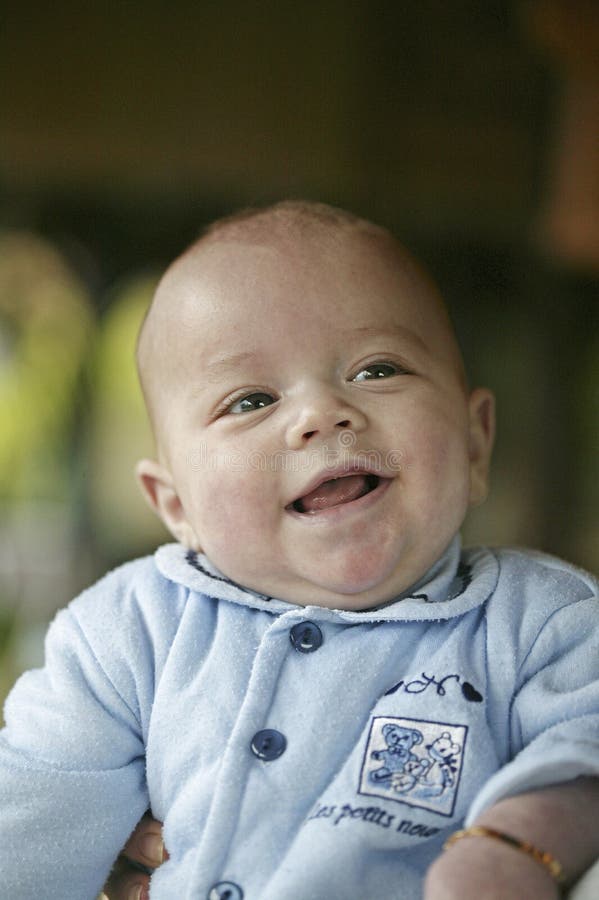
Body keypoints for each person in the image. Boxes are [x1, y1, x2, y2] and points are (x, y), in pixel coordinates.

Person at [1, 201, 598, 900]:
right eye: (250, 400)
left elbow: (582, 748)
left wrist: (511, 845)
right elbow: (32, 816)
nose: (320, 413)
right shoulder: (130, 634)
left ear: (473, 442)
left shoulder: (542, 623)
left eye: (377, 370)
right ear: (176, 506)